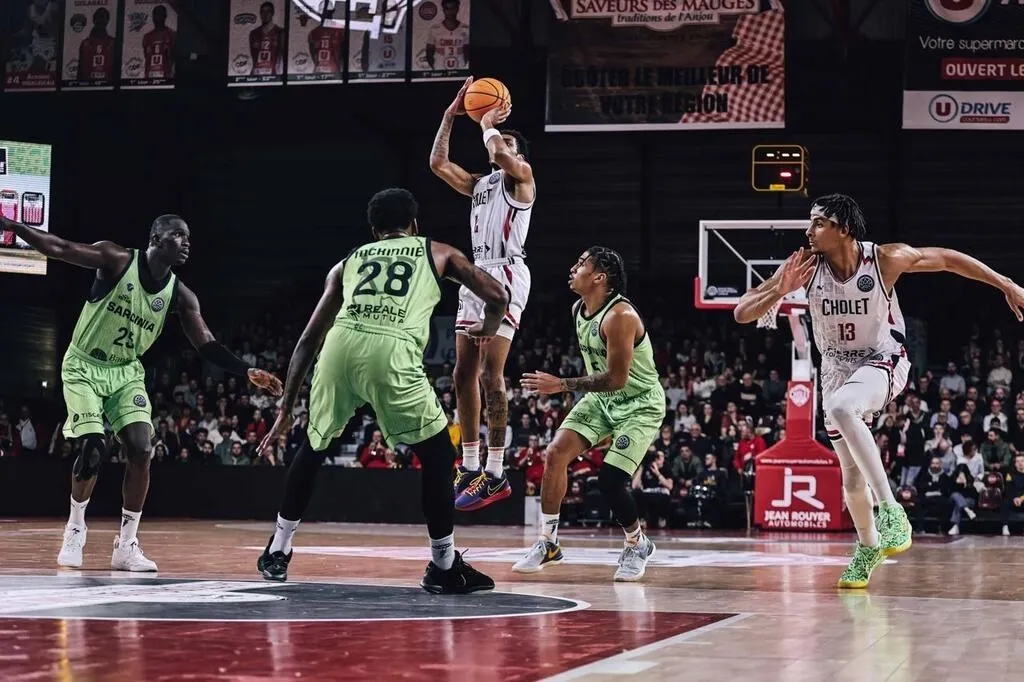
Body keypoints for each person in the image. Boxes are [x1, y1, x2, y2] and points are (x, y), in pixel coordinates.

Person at [733, 193, 1024, 588]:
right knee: (851, 477)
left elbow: (950, 260)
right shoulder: (802, 266)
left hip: (883, 358)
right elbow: (742, 311)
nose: (809, 230)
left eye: (818, 222)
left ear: (843, 229)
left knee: (841, 408)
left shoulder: (885, 259)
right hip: (835, 369)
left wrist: (1005, 283)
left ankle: (891, 509)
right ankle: (868, 547)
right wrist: (778, 290)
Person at [255, 188, 508, 594]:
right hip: (390, 350)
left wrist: (286, 409)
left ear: (374, 231)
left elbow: (307, 339)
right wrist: (490, 327)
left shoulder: (346, 262)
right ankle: (443, 565)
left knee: (313, 447)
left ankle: (279, 549)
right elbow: (499, 295)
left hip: (339, 346)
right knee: (439, 454)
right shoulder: (438, 251)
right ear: (415, 225)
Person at [0, 212, 282, 571]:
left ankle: (126, 544)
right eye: (178, 235)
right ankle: (74, 530)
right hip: (84, 365)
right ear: (156, 238)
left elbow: (206, 343)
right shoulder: (117, 259)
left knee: (141, 448)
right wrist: (14, 227)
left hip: (126, 373)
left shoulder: (181, 295)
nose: (186, 242)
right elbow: (61, 247)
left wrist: (247, 371)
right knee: (93, 445)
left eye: (189, 237)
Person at [512, 247, 665, 582]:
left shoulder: (620, 316)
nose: (573, 267)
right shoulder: (578, 309)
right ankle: (549, 542)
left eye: (581, 263)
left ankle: (637, 543)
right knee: (554, 454)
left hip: (639, 403)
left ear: (600, 276)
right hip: (601, 400)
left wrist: (562, 384)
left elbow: (617, 378)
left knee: (610, 480)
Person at [429, 78, 536, 512]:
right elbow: (437, 163)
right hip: (476, 275)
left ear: (519, 155)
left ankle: (496, 471)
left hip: (508, 274)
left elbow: (498, 152)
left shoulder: (523, 178)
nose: (500, 148)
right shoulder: (480, 185)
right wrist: (449, 116)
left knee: (492, 376)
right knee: (461, 374)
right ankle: (470, 465)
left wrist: (491, 125)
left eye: (510, 145)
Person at [425, 0, 469, 71]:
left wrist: (464, 65)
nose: (450, 12)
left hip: (460, 69)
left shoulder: (465, 29)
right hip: (439, 69)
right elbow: (429, 51)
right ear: (443, 10)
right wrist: (434, 67)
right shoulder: (435, 29)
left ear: (457, 9)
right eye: (447, 8)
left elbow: (467, 51)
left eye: (453, 8)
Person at [77, 7, 115, 83]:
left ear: (107, 21)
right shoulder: (85, 44)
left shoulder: (113, 42)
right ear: (94, 20)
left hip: (108, 87)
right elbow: (80, 71)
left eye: (103, 18)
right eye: (99, 18)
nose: (101, 21)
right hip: (88, 88)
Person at [250, 1, 284, 76]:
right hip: (257, 74)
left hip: (274, 74)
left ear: (272, 13)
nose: (265, 14)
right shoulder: (254, 33)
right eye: (262, 11)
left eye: (268, 11)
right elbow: (253, 58)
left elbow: (281, 56)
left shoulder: (280, 32)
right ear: (260, 14)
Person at [142, 5, 175, 81]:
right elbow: (146, 57)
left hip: (166, 78)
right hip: (149, 79)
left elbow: (173, 57)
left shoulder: (172, 34)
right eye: (155, 15)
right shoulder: (147, 37)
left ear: (165, 16)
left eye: (160, 14)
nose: (157, 18)